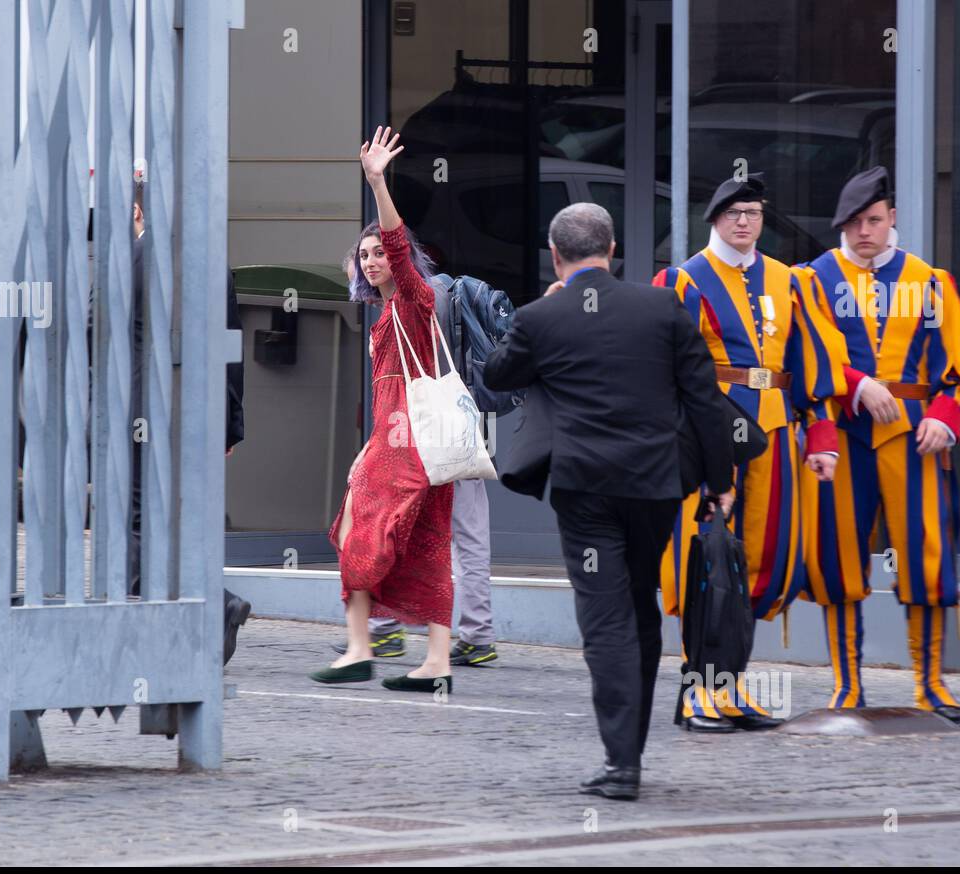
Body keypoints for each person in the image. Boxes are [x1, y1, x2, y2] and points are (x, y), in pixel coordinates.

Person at [484, 202, 734, 800]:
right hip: (654, 486)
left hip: (585, 490)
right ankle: (632, 750)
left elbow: (496, 373)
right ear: (613, 248)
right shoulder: (663, 306)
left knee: (606, 617)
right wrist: (720, 481)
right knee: (640, 604)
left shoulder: (541, 317)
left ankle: (623, 764)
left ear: (555, 254)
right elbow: (705, 400)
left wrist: (546, 311)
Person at [794, 166, 960, 722]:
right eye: (855, 222)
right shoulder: (810, 281)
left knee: (926, 551)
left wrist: (946, 415)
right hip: (842, 433)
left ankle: (930, 684)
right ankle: (846, 686)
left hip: (917, 439)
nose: (865, 232)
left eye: (875, 220)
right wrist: (857, 383)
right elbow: (800, 358)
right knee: (839, 553)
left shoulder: (930, 281)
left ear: (893, 219)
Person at [651, 173, 849, 732]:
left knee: (759, 562)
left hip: (778, 435)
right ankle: (697, 693)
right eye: (734, 212)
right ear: (713, 219)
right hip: (711, 435)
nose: (744, 222)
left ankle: (731, 688)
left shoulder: (790, 280)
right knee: (706, 559)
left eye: (754, 212)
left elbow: (813, 363)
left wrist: (823, 440)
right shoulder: (683, 281)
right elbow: (665, 369)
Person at [311, 126, 455, 693]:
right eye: (363, 255)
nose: (373, 260)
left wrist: (376, 181)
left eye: (380, 253)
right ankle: (437, 662)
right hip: (417, 443)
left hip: (408, 446)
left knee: (354, 532)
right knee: (428, 546)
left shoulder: (416, 299)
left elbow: (397, 241)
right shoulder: (388, 315)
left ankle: (358, 649)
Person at [331, 249, 500, 667]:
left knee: (392, 528)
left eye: (367, 271)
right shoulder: (433, 295)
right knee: (464, 531)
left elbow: (400, 388)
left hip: (420, 436)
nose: (364, 285)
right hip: (455, 425)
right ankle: (475, 634)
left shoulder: (411, 300)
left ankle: (388, 632)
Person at [128, 184, 250, 661]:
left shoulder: (136, 258)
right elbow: (231, 346)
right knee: (181, 521)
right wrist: (230, 423)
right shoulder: (212, 264)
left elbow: (103, 329)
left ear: (138, 211)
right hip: (199, 414)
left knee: (138, 520)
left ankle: (205, 610)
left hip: (143, 411)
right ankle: (200, 614)